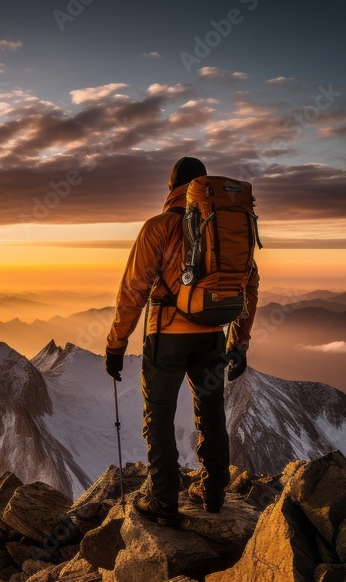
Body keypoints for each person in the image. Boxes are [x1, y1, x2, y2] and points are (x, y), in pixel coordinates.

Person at [104, 156, 259, 525]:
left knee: (158, 416)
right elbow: (249, 287)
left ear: (171, 188)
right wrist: (239, 344)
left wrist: (116, 344)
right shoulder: (225, 228)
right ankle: (214, 493)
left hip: (167, 336)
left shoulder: (159, 227)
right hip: (212, 337)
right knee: (211, 413)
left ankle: (164, 502)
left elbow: (133, 291)